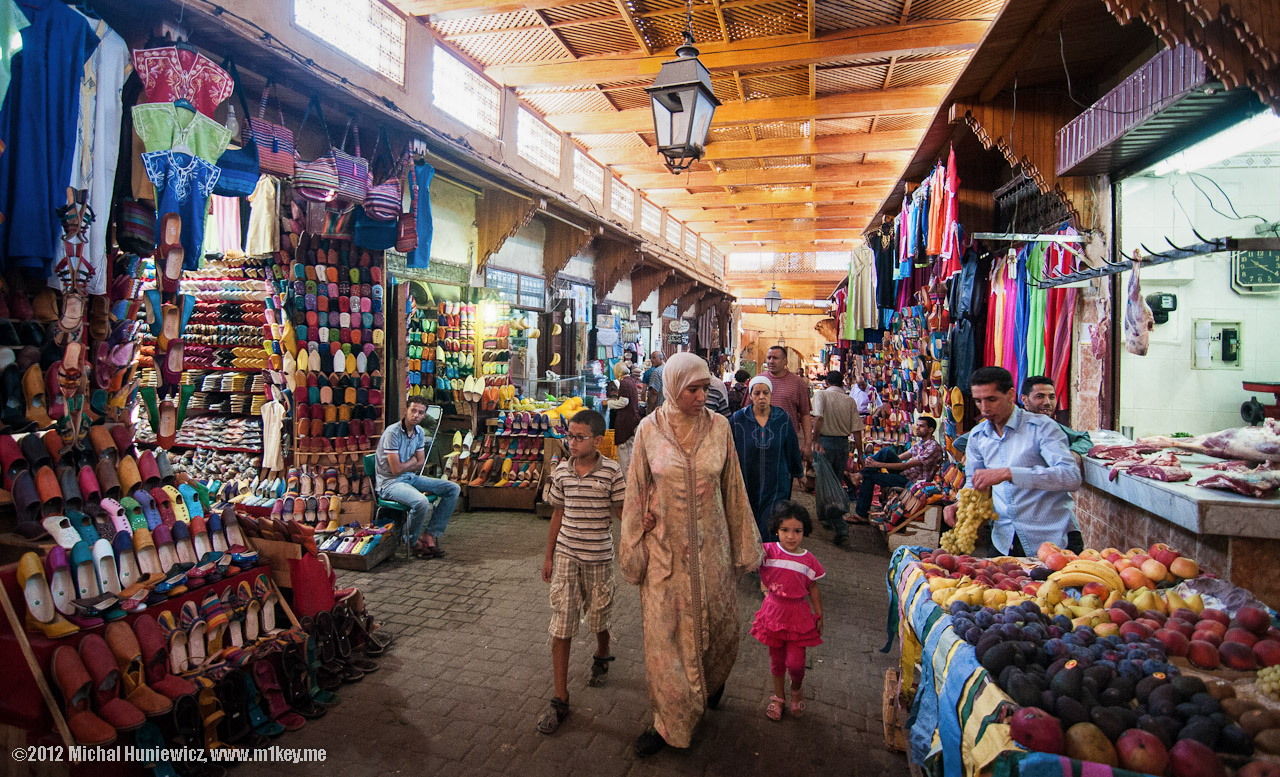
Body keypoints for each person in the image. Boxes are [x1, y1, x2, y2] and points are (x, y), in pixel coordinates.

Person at [619, 352, 763, 757]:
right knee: (665, 643)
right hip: (664, 556)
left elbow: (733, 488)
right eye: (693, 390)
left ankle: (712, 681)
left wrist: (744, 547)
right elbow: (634, 492)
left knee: (720, 629)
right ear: (672, 388)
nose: (702, 397)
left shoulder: (720, 429)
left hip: (712, 553)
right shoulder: (649, 430)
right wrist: (633, 547)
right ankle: (668, 723)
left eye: (705, 388)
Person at [537, 409, 626, 735]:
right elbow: (557, 515)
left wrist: (643, 519)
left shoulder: (612, 472)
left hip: (600, 559)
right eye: (569, 436)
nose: (571, 443)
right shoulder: (561, 473)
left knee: (600, 618)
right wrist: (549, 556)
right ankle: (560, 698)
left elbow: (621, 513)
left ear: (597, 440)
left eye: (579, 437)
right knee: (561, 624)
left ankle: (602, 655)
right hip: (566, 559)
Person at [946, 367, 1083, 556]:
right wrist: (959, 503)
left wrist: (1010, 473)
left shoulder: (1042, 428)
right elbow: (973, 481)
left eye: (992, 399)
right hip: (1004, 540)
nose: (984, 408)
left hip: (1053, 540)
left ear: (1010, 395)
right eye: (979, 401)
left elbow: (1071, 477)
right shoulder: (978, 437)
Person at [750, 501, 824, 722]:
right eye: (785, 530)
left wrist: (819, 614)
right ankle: (778, 697)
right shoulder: (767, 551)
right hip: (773, 614)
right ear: (776, 530)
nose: (791, 536)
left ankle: (796, 688)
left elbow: (812, 587)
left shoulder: (808, 560)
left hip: (799, 617)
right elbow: (748, 556)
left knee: (796, 663)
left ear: (804, 532)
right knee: (776, 660)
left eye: (797, 531)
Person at [374, 396, 461, 559]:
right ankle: (412, 541)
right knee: (421, 502)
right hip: (389, 483)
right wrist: (412, 462)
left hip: (409, 478)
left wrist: (409, 464)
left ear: (424, 416)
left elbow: (420, 463)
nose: (416, 415)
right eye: (413, 410)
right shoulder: (392, 433)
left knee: (452, 489)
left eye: (421, 413)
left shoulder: (419, 432)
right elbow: (395, 469)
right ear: (406, 410)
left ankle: (429, 534)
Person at [731, 375, 803, 543]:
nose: (761, 397)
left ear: (771, 394)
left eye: (765, 393)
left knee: (772, 521)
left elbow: (791, 447)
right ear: (750, 395)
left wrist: (799, 472)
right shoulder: (738, 420)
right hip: (747, 480)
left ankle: (770, 560)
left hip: (776, 481)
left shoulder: (782, 419)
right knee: (748, 521)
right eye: (756, 393)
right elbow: (728, 450)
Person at [954, 375, 1092, 457]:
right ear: (1024, 400)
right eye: (1040, 397)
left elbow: (1084, 438)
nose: (1047, 403)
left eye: (1052, 397)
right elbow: (960, 443)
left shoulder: (1049, 426)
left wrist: (1074, 453)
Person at [850, 417, 944, 523]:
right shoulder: (920, 444)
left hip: (912, 482)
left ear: (930, 429)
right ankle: (860, 476)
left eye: (921, 426)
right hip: (905, 474)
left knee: (870, 476)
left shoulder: (933, 448)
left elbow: (906, 465)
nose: (917, 428)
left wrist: (877, 464)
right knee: (885, 452)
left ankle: (861, 510)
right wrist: (878, 463)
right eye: (917, 425)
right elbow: (901, 458)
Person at [811, 370, 864, 545]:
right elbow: (857, 430)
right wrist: (860, 454)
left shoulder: (822, 395)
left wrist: (816, 441)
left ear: (826, 381)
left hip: (825, 443)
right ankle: (824, 516)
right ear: (842, 383)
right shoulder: (849, 401)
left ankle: (838, 523)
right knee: (833, 480)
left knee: (826, 483)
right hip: (842, 445)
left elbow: (818, 418)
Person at [740, 346, 812, 462]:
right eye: (769, 358)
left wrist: (808, 444)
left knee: (785, 475)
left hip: (786, 441)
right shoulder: (758, 380)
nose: (771, 361)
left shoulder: (797, 383)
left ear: (785, 361)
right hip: (759, 439)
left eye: (775, 358)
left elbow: (805, 414)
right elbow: (746, 411)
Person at [613, 364, 642, 473]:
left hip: (626, 423)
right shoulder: (630, 381)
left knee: (624, 454)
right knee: (629, 453)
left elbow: (624, 402)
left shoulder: (624, 383)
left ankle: (626, 484)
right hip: (632, 420)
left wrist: (609, 403)